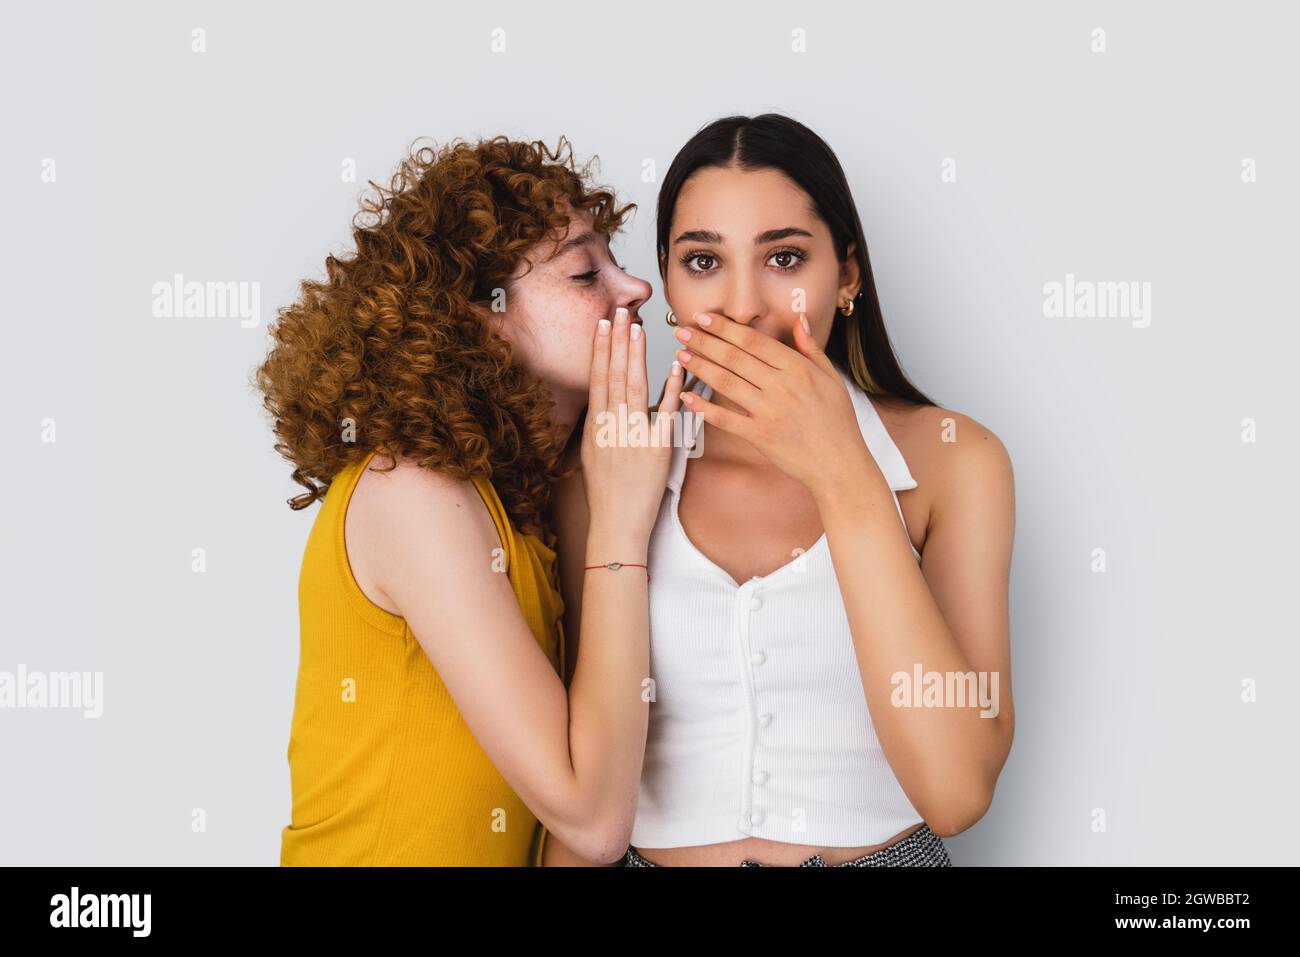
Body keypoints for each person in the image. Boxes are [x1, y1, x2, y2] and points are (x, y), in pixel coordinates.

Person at [543, 114, 1016, 867]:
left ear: (848, 275)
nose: (743, 304)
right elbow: (581, 786)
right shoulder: (602, 465)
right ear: (665, 281)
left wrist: (844, 473)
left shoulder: (958, 463)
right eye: (703, 262)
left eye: (785, 257)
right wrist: (618, 528)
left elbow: (956, 792)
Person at [256, 134, 682, 865]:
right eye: (585, 272)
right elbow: (594, 817)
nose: (636, 287)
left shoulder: (536, 502)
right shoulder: (412, 491)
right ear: (481, 314)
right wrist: (619, 524)